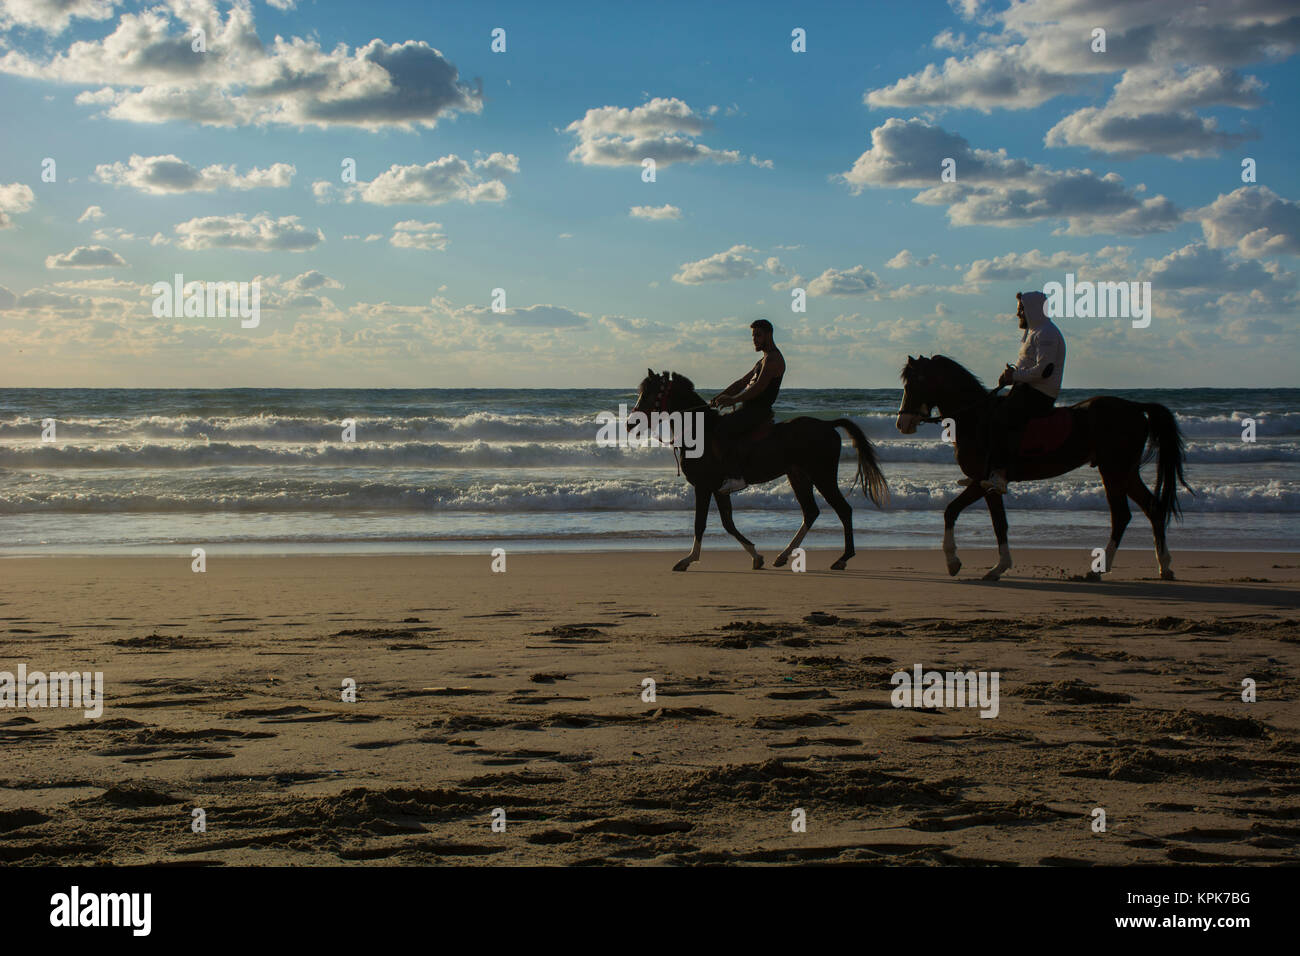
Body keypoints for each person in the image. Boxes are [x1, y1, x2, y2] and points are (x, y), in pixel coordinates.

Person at [981, 290, 1066, 494]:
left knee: (1001, 418)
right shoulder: (1035, 332)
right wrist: (1011, 375)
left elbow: (1043, 371)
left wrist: (1014, 377)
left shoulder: (1047, 334)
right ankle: (986, 471)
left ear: (1033, 309)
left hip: (1040, 393)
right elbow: (1027, 367)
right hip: (1026, 390)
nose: (1018, 314)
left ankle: (1001, 475)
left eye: (1021, 309)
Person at [710, 319, 785, 494]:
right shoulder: (762, 361)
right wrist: (718, 397)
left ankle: (736, 477)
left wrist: (732, 400)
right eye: (753, 336)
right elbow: (742, 383)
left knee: (722, 431)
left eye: (758, 335)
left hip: (758, 411)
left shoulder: (773, 359)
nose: (755, 340)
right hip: (749, 409)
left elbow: (758, 388)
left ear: (769, 335)